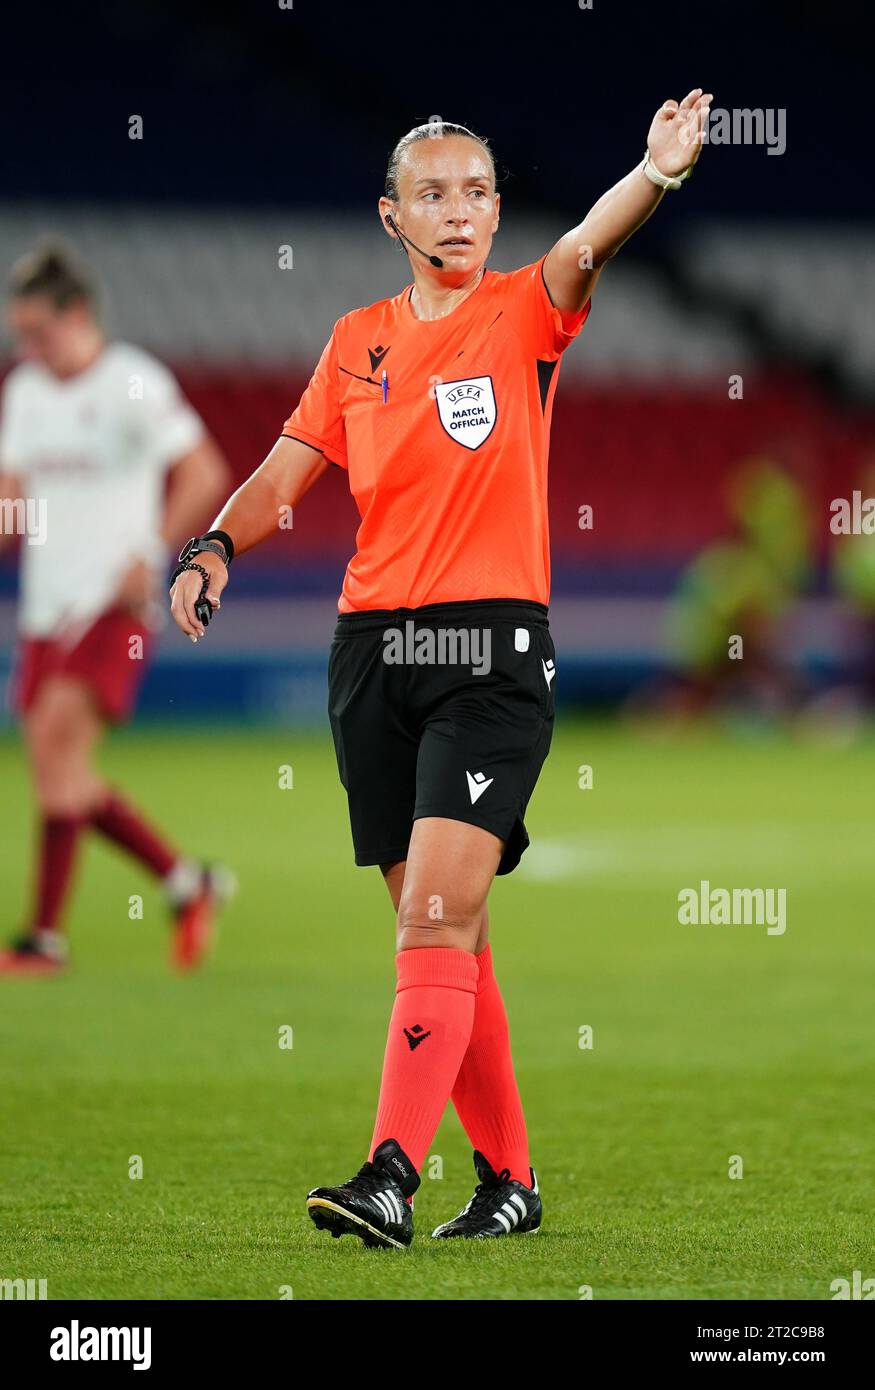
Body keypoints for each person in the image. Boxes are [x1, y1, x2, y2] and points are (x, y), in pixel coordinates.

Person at [170, 95, 712, 1246]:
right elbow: (281, 474)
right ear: (390, 214)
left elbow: (587, 244)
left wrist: (653, 173)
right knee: (448, 934)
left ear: (496, 209)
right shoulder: (354, 340)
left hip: (489, 655)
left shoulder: (524, 310)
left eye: (475, 192)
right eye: (432, 192)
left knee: (432, 920)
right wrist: (215, 544)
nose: (457, 211)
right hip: (371, 655)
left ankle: (388, 1174)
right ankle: (508, 1181)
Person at [0, 243, 234, 974]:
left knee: (61, 755)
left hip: (112, 601)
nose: (28, 347)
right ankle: (186, 882)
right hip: (46, 605)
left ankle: (43, 939)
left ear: (77, 316)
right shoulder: (25, 393)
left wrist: (152, 550)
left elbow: (205, 473)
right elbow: (14, 505)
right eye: (20, 335)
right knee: (56, 771)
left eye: (38, 331)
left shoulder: (134, 383)